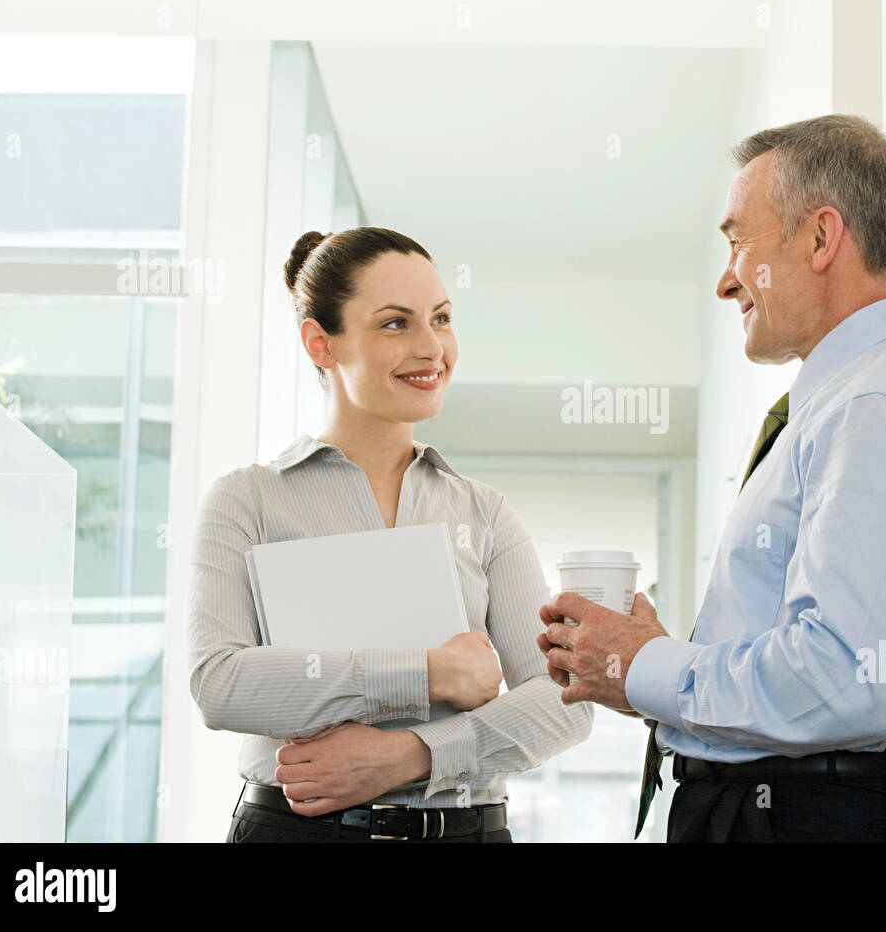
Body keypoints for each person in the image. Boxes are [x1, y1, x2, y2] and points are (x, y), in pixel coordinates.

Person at [539, 114, 886, 842]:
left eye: (738, 243)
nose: (727, 282)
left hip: (808, 820)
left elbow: (854, 678)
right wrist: (649, 670)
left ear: (822, 238)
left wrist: (651, 667)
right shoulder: (851, 402)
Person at [188, 227, 593, 842]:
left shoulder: (485, 515)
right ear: (320, 344)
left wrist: (413, 753)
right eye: (395, 324)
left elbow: (565, 704)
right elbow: (220, 684)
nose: (432, 348)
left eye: (442, 318)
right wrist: (425, 674)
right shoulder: (248, 499)